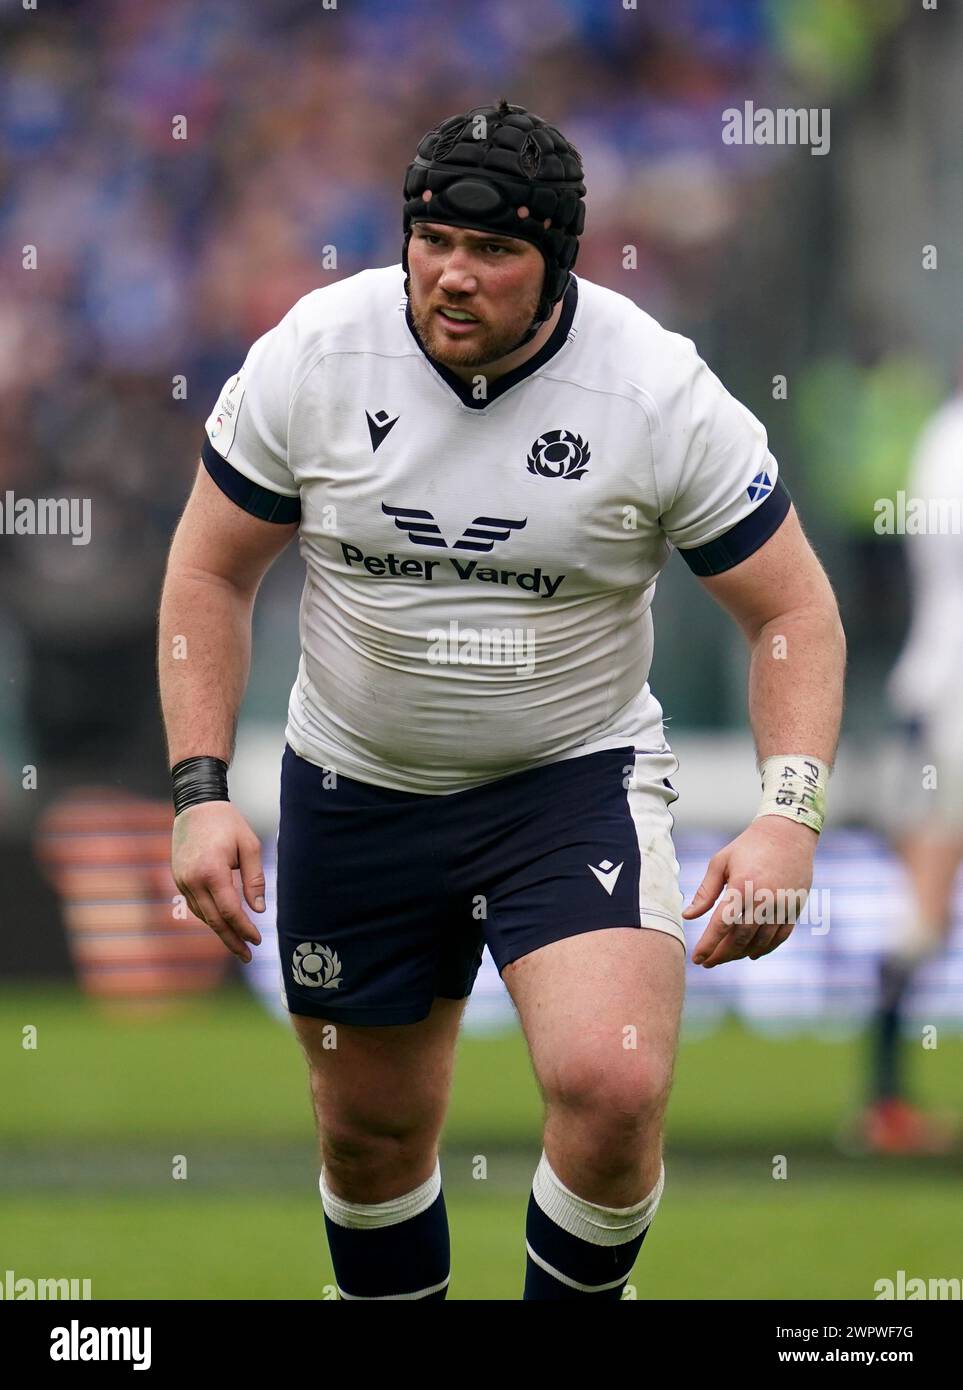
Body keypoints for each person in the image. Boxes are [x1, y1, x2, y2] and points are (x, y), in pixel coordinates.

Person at [159, 100, 846, 1300]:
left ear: (560, 264)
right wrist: (198, 789)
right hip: (356, 783)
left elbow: (794, 611)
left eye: (494, 253)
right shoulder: (317, 352)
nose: (454, 276)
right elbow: (210, 569)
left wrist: (789, 811)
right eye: (432, 241)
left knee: (612, 1086)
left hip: (569, 784)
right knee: (369, 1139)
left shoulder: (653, 387)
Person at [858, 386, 963, 1154]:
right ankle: (885, 1105)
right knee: (923, 916)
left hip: (934, 695)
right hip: (947, 701)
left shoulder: (940, 434)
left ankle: (885, 1102)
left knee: (927, 916)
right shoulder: (950, 438)